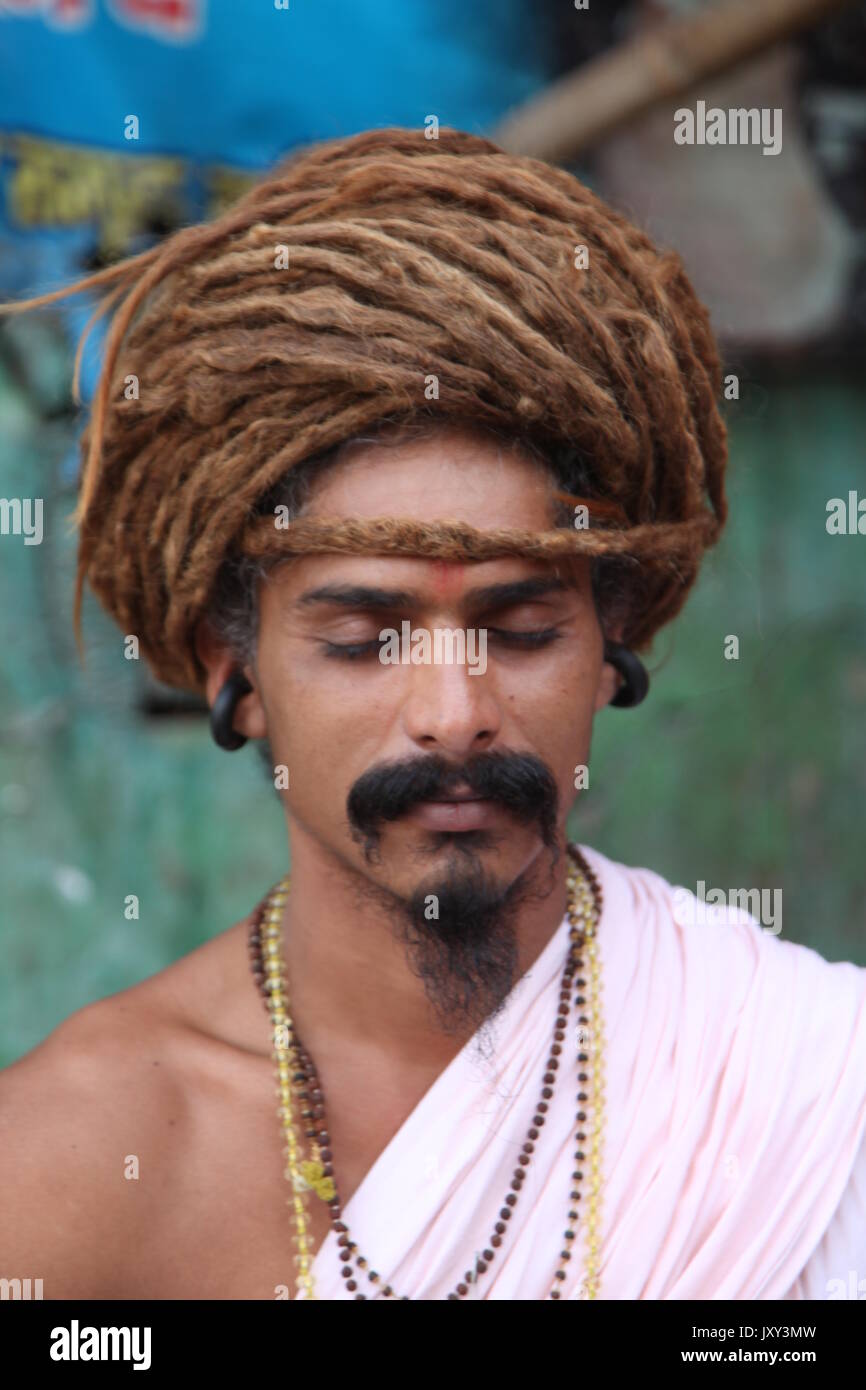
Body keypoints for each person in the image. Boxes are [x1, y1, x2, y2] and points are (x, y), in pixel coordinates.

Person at [0, 127, 863, 1302]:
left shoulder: (806, 1085)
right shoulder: (67, 1163)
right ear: (232, 672)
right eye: (362, 639)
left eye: (520, 631)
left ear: (613, 647)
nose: (454, 715)